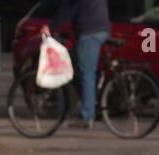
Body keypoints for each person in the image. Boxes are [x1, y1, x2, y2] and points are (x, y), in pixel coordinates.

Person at [42, 0, 112, 128]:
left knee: (87, 75)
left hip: (89, 32)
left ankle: (86, 116)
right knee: (80, 67)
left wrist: (50, 27)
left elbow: (69, 7)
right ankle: (90, 102)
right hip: (101, 28)